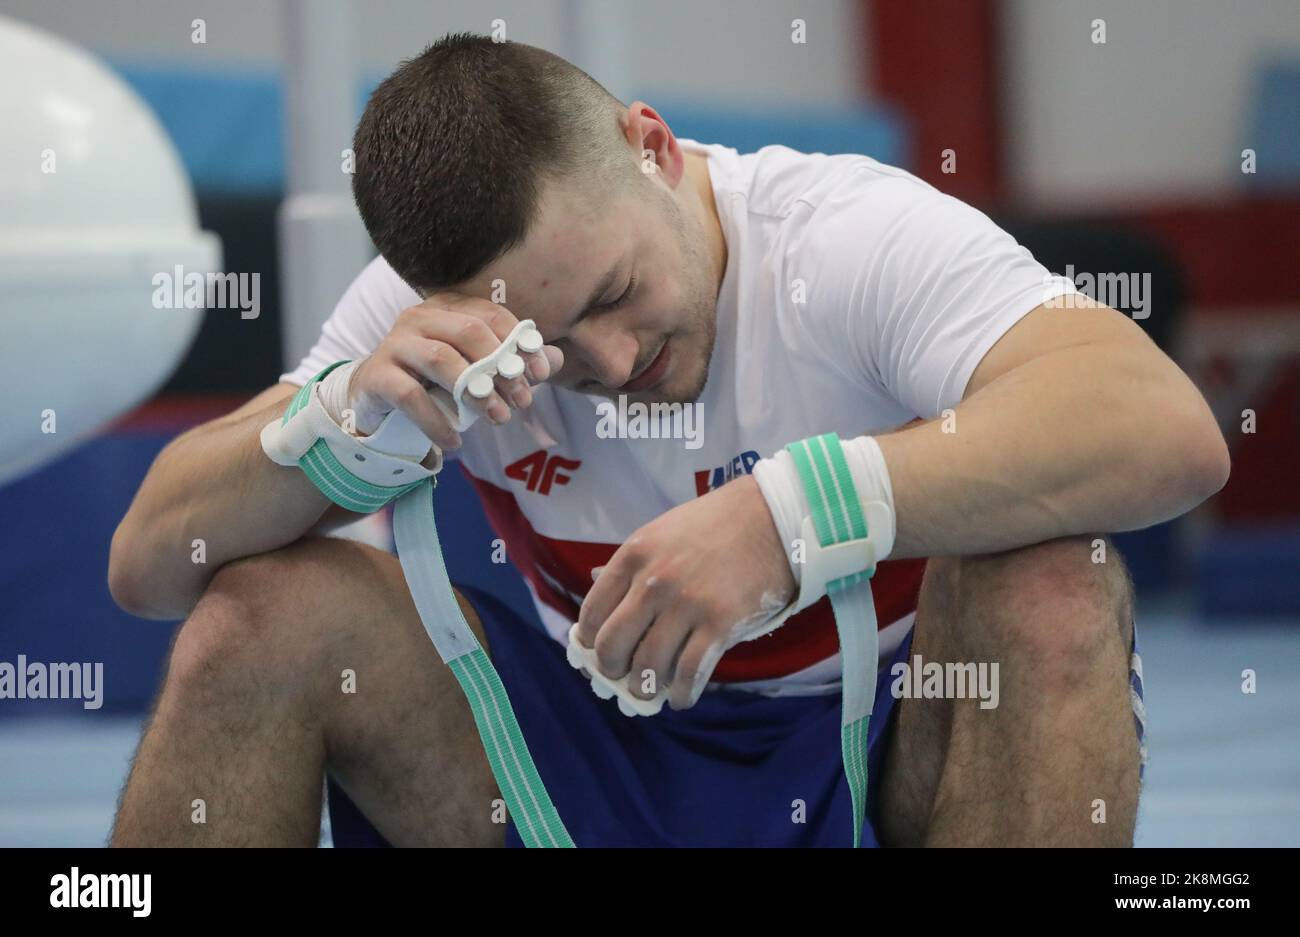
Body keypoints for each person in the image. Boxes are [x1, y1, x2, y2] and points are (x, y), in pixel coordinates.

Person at [107, 33, 1228, 847]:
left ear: (652, 148)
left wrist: (792, 514)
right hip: (577, 748)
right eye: (541, 338)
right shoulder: (421, 316)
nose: (601, 359)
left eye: (614, 291)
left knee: (1051, 581)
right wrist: (333, 427)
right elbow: (149, 568)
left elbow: (1163, 430)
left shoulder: (847, 239)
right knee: (264, 614)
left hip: (881, 747)